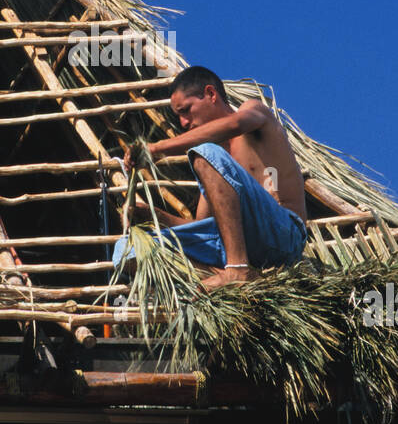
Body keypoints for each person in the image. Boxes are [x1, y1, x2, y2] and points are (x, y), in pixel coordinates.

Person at [115, 66, 309, 290]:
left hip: (283, 236)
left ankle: (237, 270)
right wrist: (154, 215)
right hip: (238, 246)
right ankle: (231, 275)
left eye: (186, 110)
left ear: (211, 94)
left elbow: (235, 125)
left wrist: (158, 148)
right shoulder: (216, 165)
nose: (183, 123)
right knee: (126, 251)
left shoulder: (253, 113)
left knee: (205, 152)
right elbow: (203, 226)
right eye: (178, 116)